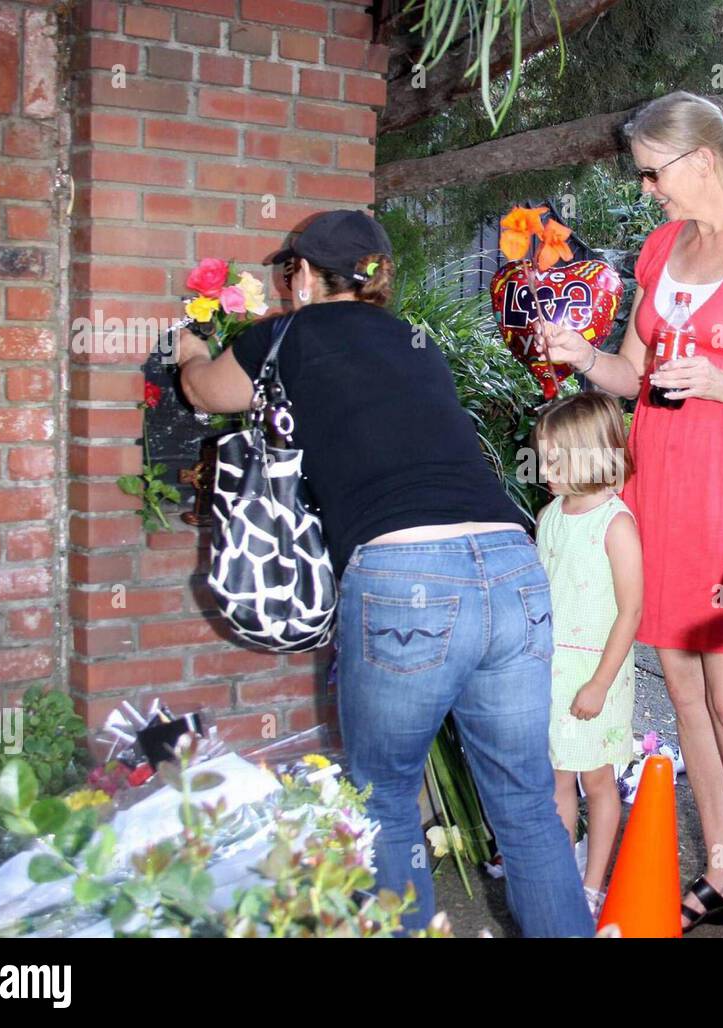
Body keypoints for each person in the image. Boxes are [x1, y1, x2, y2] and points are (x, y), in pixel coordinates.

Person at [175, 209, 595, 937]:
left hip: (408, 575)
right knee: (526, 802)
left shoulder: (287, 333)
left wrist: (186, 351)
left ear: (302, 275)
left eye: (289, 272)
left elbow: (208, 395)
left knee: (381, 801)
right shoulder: (416, 343)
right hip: (510, 562)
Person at [535, 91, 723, 938]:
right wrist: (584, 356)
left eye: (651, 174)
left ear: (700, 161)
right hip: (657, 487)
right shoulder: (662, 250)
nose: (646, 192)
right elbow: (636, 376)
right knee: (682, 692)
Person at [533, 393, 643, 918]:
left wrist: (599, 682)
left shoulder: (615, 525)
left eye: (555, 460)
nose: (543, 469)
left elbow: (630, 611)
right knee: (557, 773)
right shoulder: (550, 515)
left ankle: (594, 883)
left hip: (596, 672)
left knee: (597, 779)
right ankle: (560, 872)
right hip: (552, 672)